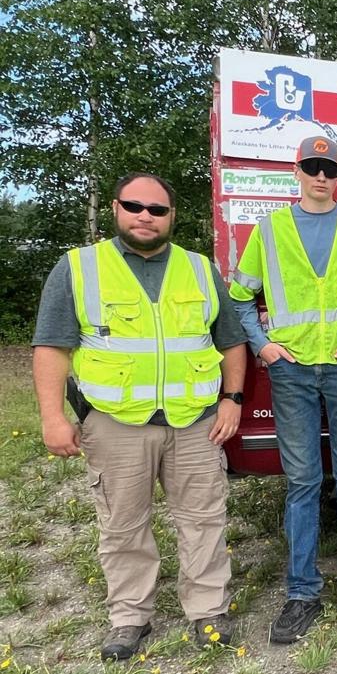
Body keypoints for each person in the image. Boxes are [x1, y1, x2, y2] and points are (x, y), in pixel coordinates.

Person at [31, 173, 247, 660]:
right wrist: (52, 417)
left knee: (204, 520)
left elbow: (230, 340)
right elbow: (51, 346)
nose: (145, 216)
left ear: (172, 216)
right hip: (115, 423)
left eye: (157, 209)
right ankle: (130, 617)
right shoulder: (79, 268)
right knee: (123, 524)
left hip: (194, 421)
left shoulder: (198, 269)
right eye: (135, 206)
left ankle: (208, 610)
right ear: (115, 209)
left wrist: (232, 398)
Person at [229, 137, 337, 641]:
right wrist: (263, 346)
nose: (321, 175)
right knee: (301, 485)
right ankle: (302, 596)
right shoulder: (270, 229)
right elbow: (238, 299)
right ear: (295, 171)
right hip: (291, 371)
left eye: (330, 167)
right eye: (311, 166)